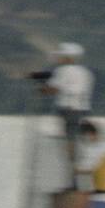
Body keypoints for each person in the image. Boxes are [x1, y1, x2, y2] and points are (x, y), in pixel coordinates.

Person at [36, 42, 94, 182]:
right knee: (77, 140)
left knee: (69, 140)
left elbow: (53, 89)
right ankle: (77, 170)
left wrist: (41, 89)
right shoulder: (85, 72)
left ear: (67, 57)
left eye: (61, 56)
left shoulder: (62, 71)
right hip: (82, 109)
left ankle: (72, 172)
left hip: (68, 110)